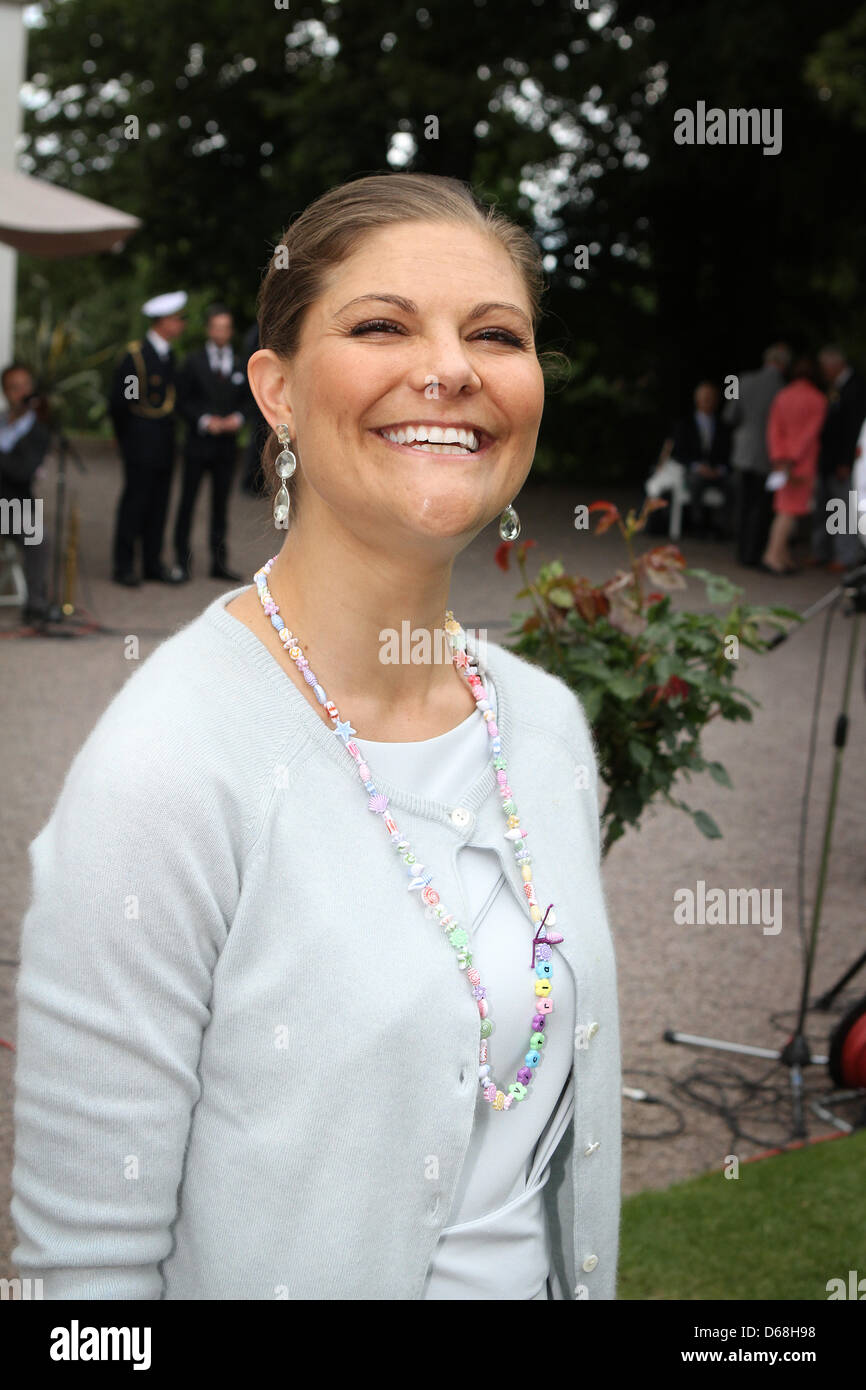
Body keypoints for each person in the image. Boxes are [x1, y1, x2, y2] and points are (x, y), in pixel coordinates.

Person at [10, 172, 621, 1302]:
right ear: (276, 390)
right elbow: (83, 1281)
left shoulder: (544, 727)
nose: (451, 368)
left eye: (495, 334)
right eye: (382, 325)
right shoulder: (167, 771)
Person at [108, 291, 189, 586]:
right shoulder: (137, 357)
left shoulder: (168, 355)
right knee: (136, 503)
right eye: (178, 319)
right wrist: (126, 439)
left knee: (159, 504)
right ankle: (124, 565)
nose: (182, 324)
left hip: (163, 443)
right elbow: (122, 404)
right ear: (163, 322)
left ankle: (152, 563)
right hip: (140, 442)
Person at [171, 304, 248, 582]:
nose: (221, 332)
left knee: (220, 505)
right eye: (216, 327)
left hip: (226, 447)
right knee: (188, 502)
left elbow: (248, 400)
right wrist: (204, 420)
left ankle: (219, 562)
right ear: (208, 330)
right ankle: (182, 560)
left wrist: (237, 419)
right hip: (198, 444)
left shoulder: (239, 362)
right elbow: (182, 401)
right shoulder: (193, 362)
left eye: (225, 328)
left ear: (231, 331)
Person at [723, 343, 790, 566]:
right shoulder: (783, 389)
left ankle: (741, 551)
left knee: (743, 503)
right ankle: (754, 552)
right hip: (769, 452)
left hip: (743, 451)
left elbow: (730, 415)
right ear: (784, 365)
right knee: (762, 507)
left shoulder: (742, 380)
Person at [761, 357, 828, 575]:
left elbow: (774, 429)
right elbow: (809, 434)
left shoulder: (783, 395)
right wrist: (793, 457)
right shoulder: (817, 399)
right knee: (789, 511)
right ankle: (773, 556)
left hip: (782, 461)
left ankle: (782, 555)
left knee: (785, 508)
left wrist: (779, 457)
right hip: (801, 462)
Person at [0, 363, 52, 624]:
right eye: (14, 388)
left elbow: (22, 472)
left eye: (25, 386)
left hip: (14, 507)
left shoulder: (38, 431)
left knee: (38, 537)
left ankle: (36, 605)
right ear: (5, 392)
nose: (21, 392)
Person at [652, 381, 731, 538]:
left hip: (717, 472)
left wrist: (719, 470)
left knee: (734, 484)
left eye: (711, 398)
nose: (707, 401)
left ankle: (725, 527)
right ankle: (697, 525)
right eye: (704, 398)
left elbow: (727, 454)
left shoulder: (723, 425)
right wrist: (698, 467)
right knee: (695, 481)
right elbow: (680, 454)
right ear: (697, 400)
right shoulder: (684, 424)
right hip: (695, 471)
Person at [811, 346, 866, 572]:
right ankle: (822, 552)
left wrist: (846, 461)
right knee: (825, 507)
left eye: (825, 367)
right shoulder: (835, 387)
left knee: (843, 510)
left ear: (836, 365)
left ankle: (846, 556)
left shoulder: (855, 387)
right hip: (828, 459)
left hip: (843, 461)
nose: (823, 372)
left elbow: (853, 428)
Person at [239, 319, 269, 497]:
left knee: (261, 438)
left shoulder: (256, 331)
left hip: (260, 389)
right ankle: (254, 482)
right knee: (259, 438)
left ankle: (258, 481)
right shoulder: (258, 332)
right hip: (259, 392)